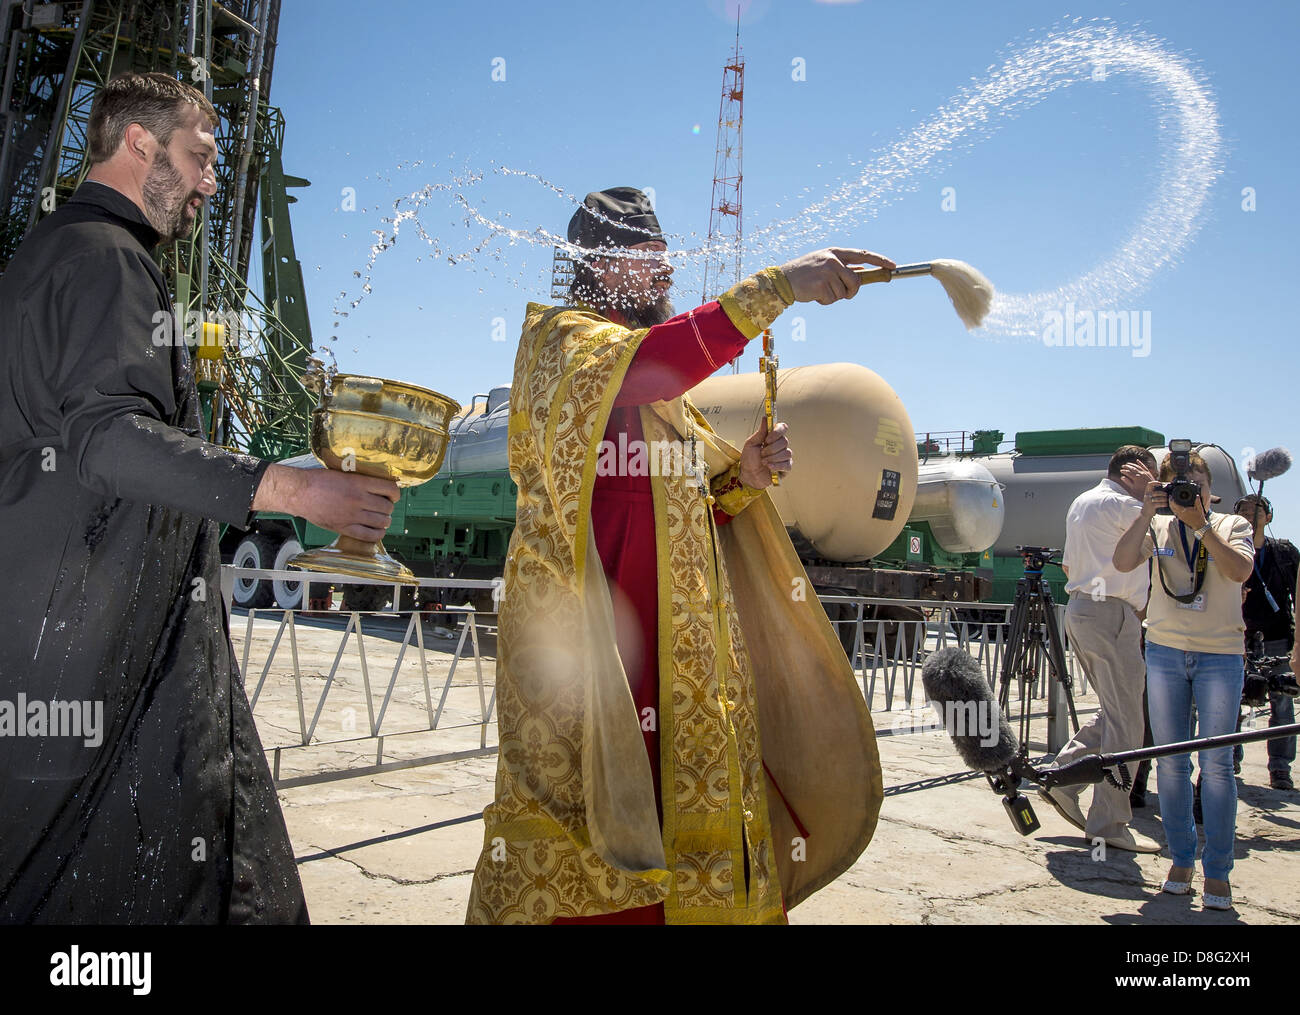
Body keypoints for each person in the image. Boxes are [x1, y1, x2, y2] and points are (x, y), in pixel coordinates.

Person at [0, 72, 399, 923]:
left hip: (59, 650)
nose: (214, 181)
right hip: (100, 658)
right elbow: (107, 437)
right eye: (201, 157)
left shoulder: (49, 254)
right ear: (139, 144)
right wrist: (294, 487)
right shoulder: (107, 261)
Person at [465, 187, 890, 924]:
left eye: (665, 255)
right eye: (645, 255)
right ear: (596, 265)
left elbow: (689, 496)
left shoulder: (663, 395)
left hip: (677, 660)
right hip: (592, 657)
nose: (662, 270)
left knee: (680, 842)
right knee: (592, 846)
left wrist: (742, 474)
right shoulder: (562, 343)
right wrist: (780, 285)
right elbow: (651, 368)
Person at [1113, 450, 1254, 910]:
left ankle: (1218, 871)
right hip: (1167, 651)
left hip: (1220, 655)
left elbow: (1239, 570)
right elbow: (1121, 561)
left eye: (1195, 486)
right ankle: (1180, 859)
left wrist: (1201, 525)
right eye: (1179, 488)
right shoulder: (1156, 526)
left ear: (1211, 490)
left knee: (1215, 767)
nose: (1188, 494)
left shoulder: (1233, 525)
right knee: (1171, 763)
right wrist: (1145, 512)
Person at [1042, 446, 1161, 853]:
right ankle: (1109, 823)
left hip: (1085, 608)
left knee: (1116, 713)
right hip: (1112, 613)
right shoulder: (1123, 505)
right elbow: (1170, 536)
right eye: (1151, 477)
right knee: (1129, 725)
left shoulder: (1084, 501)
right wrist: (1150, 497)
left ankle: (1062, 777)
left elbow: (1072, 568)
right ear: (1134, 473)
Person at [1236, 494, 1299, 790]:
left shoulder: (1284, 552)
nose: (1250, 514)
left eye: (1256, 509)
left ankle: (1280, 768)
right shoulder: (1229, 548)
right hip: (1236, 636)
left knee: (1282, 705)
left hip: (1277, 637)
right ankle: (1231, 758)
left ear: (1269, 517)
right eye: (1244, 510)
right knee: (1230, 702)